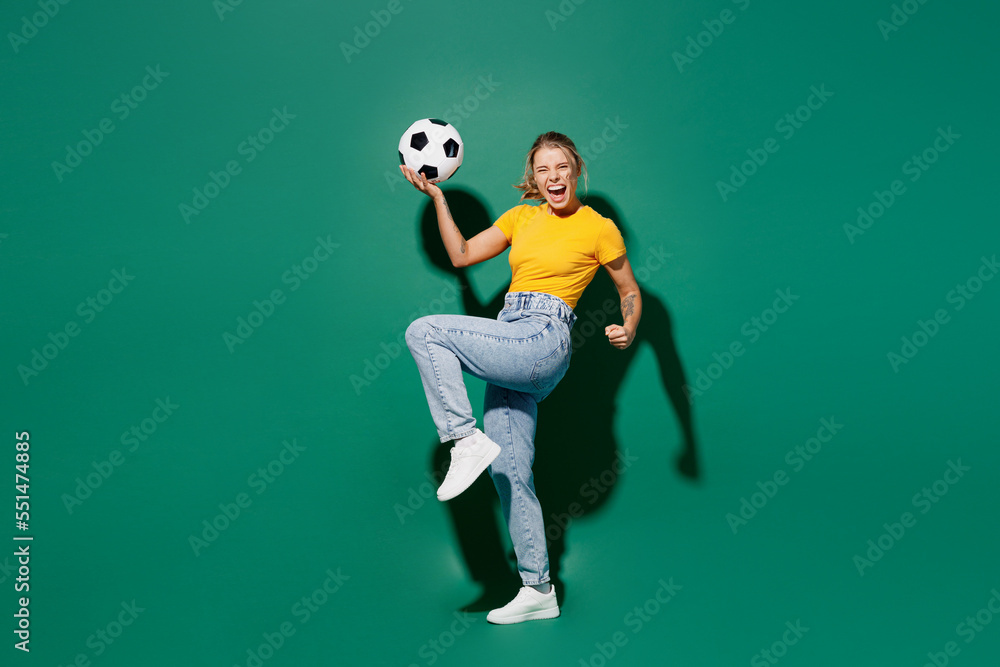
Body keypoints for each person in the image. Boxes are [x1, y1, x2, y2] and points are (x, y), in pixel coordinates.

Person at [401, 131, 642, 624]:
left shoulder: (599, 228)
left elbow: (629, 289)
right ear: (533, 177)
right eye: (543, 170)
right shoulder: (522, 217)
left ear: (576, 171)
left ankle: (462, 439)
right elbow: (463, 254)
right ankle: (538, 589)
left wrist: (629, 325)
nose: (553, 178)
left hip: (545, 338)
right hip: (510, 337)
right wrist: (439, 199)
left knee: (425, 332)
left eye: (561, 168)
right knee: (509, 468)